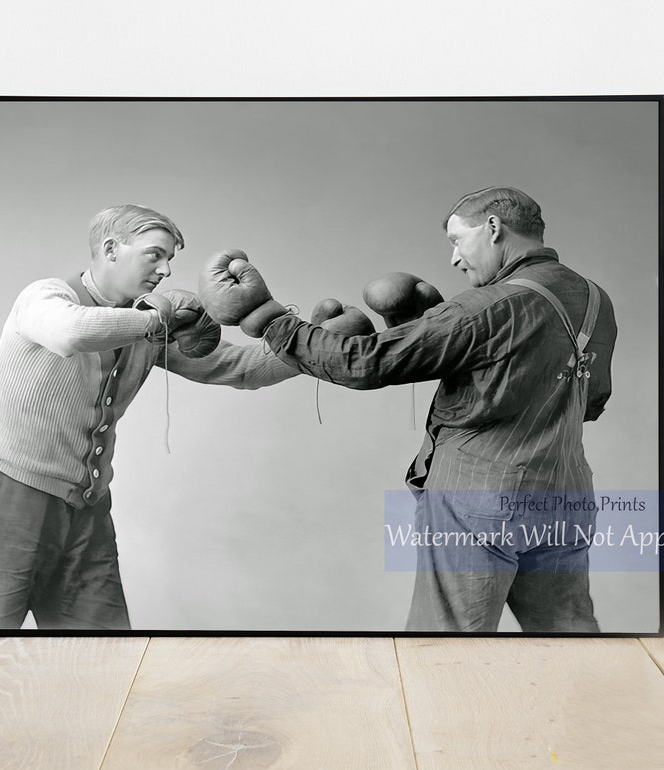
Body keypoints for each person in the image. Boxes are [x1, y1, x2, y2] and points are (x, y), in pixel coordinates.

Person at [197, 187, 617, 632]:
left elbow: (362, 362)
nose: (455, 259)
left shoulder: (487, 306)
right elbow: (589, 402)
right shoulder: (595, 299)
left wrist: (268, 318)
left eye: (457, 240)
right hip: (566, 498)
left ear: (493, 229)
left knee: (447, 645)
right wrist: (444, 342)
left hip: (480, 500)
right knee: (569, 637)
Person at [0, 204, 296, 630]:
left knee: (104, 652)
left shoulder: (146, 323)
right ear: (111, 249)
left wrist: (321, 343)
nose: (166, 270)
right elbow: (70, 332)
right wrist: (154, 320)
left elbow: (242, 368)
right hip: (11, 499)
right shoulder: (46, 297)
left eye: (170, 259)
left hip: (88, 511)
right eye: (155, 254)